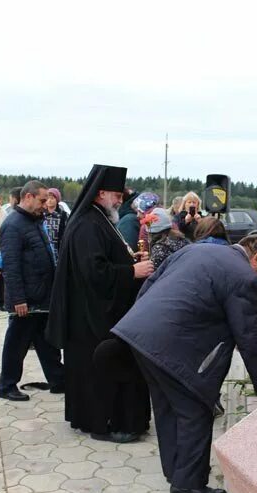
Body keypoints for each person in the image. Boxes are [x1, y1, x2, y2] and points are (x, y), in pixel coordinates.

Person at [112, 234, 257, 493]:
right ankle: (188, 484)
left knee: (165, 406)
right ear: (256, 257)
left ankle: (176, 470)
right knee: (196, 409)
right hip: (172, 344)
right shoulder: (243, 277)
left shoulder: (196, 250)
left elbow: (151, 283)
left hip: (140, 335)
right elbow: (249, 337)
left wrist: (138, 321)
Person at [46, 164, 154, 443]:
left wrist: (131, 263)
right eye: (117, 195)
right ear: (101, 193)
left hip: (96, 314)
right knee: (100, 369)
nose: (120, 200)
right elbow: (93, 272)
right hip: (91, 319)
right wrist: (132, 272)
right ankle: (101, 422)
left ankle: (102, 418)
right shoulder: (87, 225)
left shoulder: (99, 219)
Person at [0, 181, 65, 401]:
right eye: (42, 200)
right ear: (28, 197)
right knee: (17, 345)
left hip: (42, 297)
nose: (45, 205)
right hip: (25, 301)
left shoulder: (34, 221)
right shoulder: (13, 225)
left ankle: (58, 380)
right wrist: (18, 299)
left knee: (47, 343)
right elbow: (11, 266)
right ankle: (7, 385)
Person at [43, 188, 68, 256]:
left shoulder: (63, 215)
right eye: (47, 198)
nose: (49, 200)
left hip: (59, 250)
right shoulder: (41, 215)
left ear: (57, 200)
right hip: (44, 250)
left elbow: (67, 233)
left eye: (52, 198)